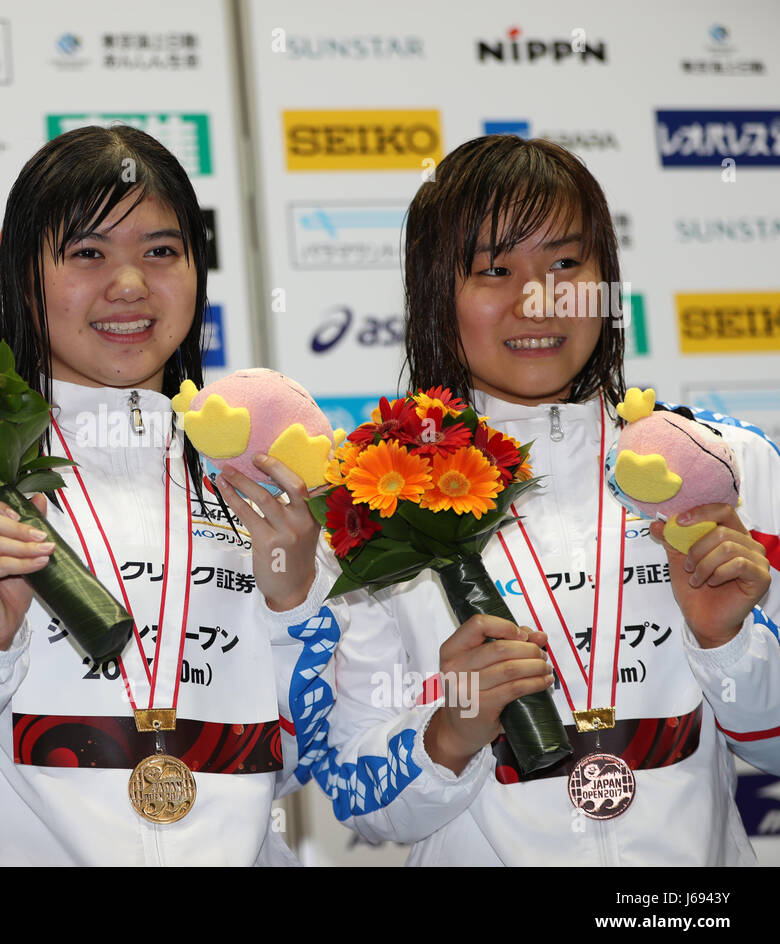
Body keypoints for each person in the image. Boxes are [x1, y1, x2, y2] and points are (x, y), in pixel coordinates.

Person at [0, 125, 426, 865]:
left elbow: (312, 764)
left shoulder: (264, 473)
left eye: (160, 252)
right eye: (88, 253)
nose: (131, 284)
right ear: (23, 277)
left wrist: (292, 604)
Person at [301, 134, 780, 864]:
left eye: (565, 262)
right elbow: (360, 806)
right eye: (495, 269)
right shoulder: (374, 500)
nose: (539, 299)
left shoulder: (718, 467)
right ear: (436, 292)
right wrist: (452, 731)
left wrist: (729, 643)